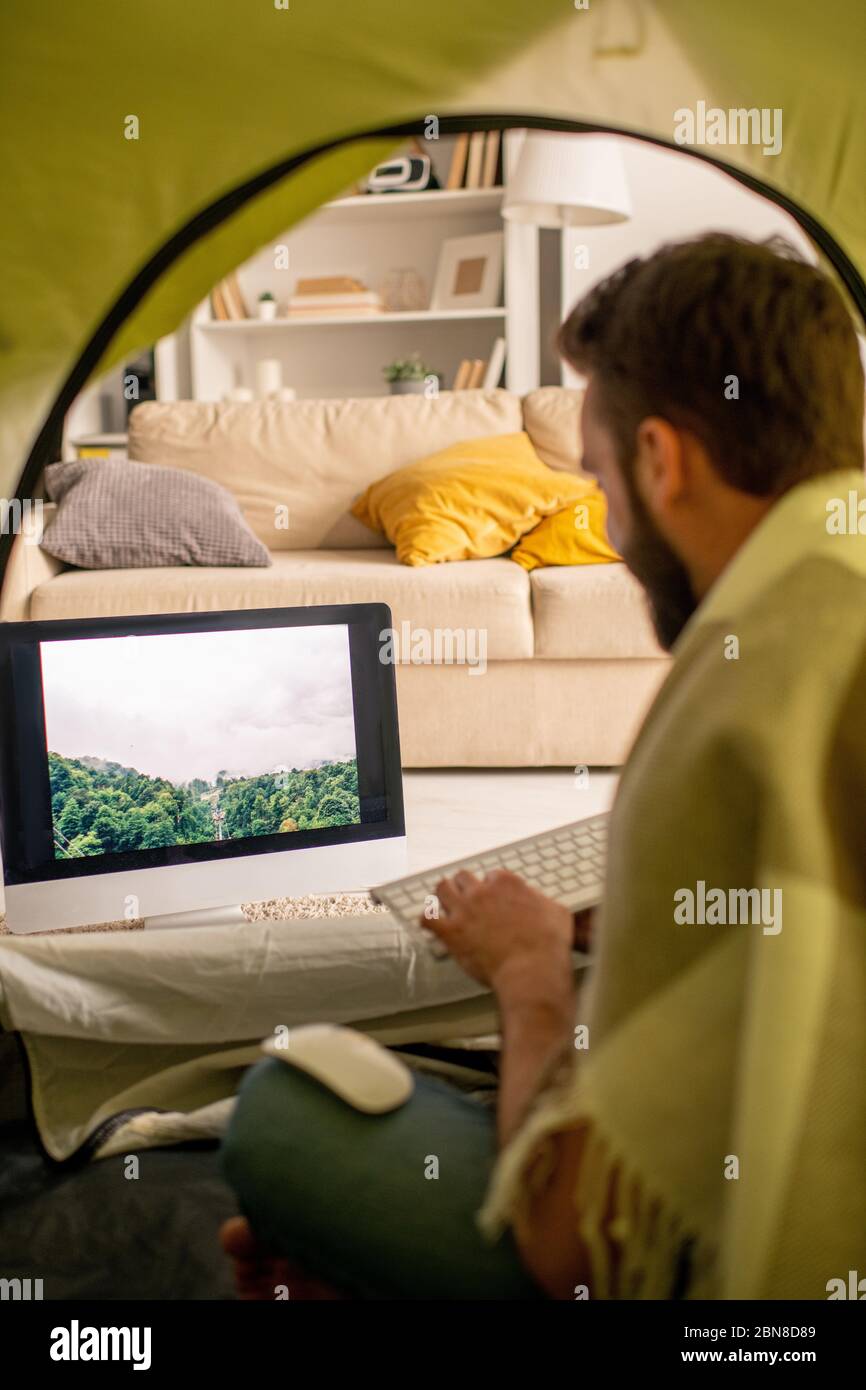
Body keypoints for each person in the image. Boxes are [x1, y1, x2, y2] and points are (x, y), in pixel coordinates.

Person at [221, 233, 866, 1299]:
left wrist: (525, 973)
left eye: (602, 479)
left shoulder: (737, 699)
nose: (610, 527)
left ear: (662, 461)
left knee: (285, 1113)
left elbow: (572, 1244)